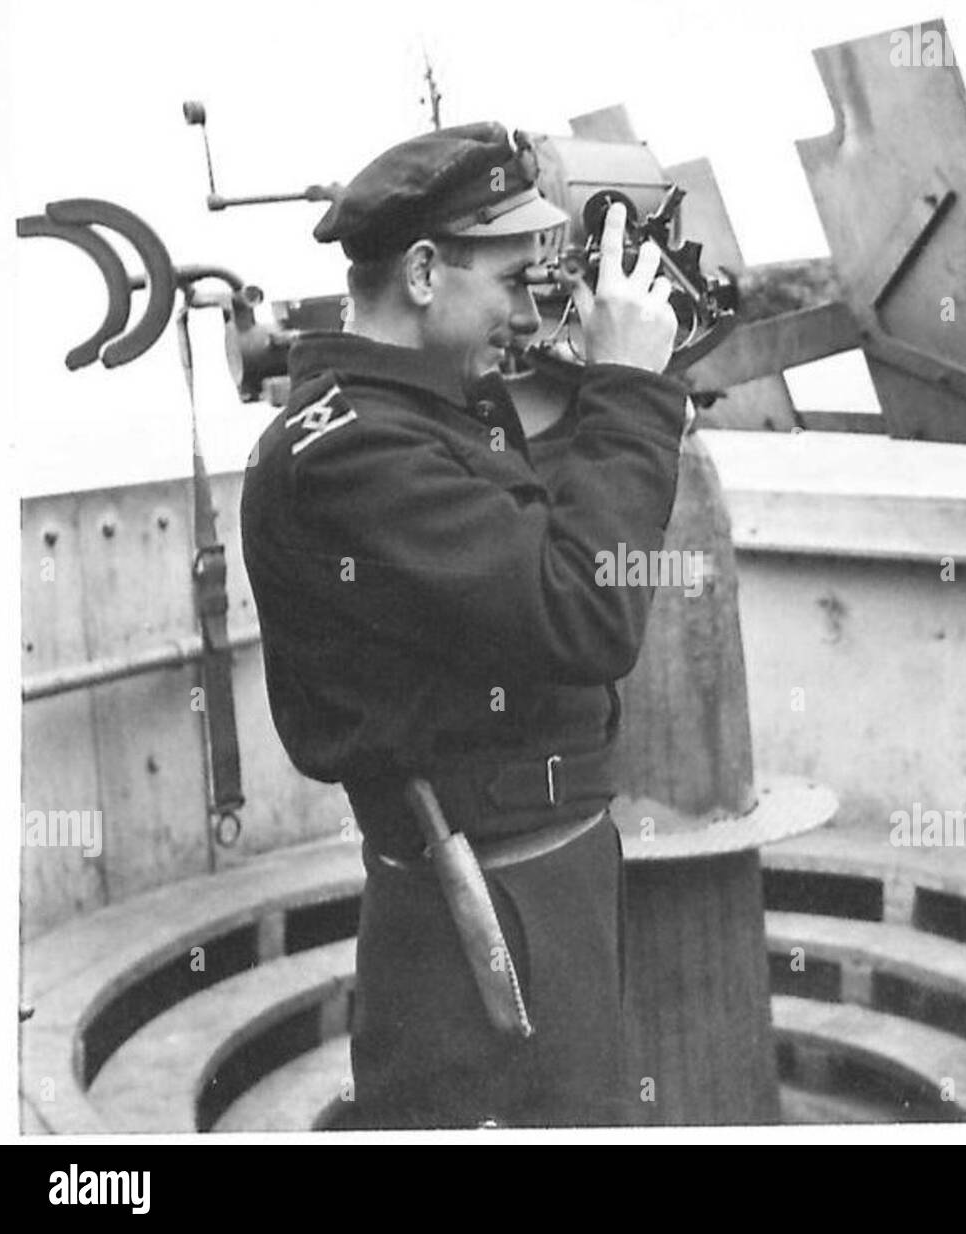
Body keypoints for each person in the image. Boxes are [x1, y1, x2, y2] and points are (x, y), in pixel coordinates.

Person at [239, 121, 686, 1128]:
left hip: (538, 870)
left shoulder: (426, 415)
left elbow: (539, 547)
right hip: (482, 900)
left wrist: (602, 380)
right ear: (427, 271)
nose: (524, 310)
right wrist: (631, 394)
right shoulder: (353, 453)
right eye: (510, 280)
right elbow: (583, 611)